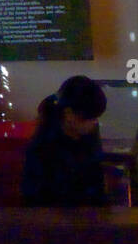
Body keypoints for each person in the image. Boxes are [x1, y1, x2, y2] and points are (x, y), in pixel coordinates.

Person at [21, 75, 108, 207]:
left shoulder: (87, 135)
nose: (94, 123)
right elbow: (37, 197)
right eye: (89, 118)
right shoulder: (43, 148)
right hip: (55, 221)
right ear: (68, 114)